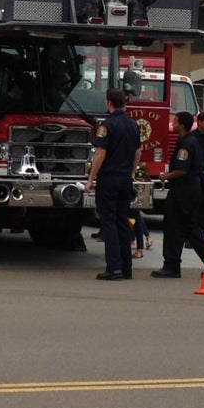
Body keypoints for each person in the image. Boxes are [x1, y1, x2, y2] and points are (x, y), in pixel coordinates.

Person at [152, 111, 204, 278]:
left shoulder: (186, 144)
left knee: (172, 227)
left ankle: (171, 265)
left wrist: (165, 176)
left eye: (176, 122)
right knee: (190, 227)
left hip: (183, 190)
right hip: (192, 189)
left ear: (182, 125)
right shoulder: (191, 141)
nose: (174, 125)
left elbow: (181, 170)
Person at [85, 87, 140, 281]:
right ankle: (126, 268)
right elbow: (137, 153)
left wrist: (91, 179)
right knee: (122, 222)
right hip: (125, 179)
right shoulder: (134, 125)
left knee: (108, 223)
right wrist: (131, 172)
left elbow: (100, 153)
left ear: (108, 102)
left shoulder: (106, 125)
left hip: (109, 179)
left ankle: (113, 268)